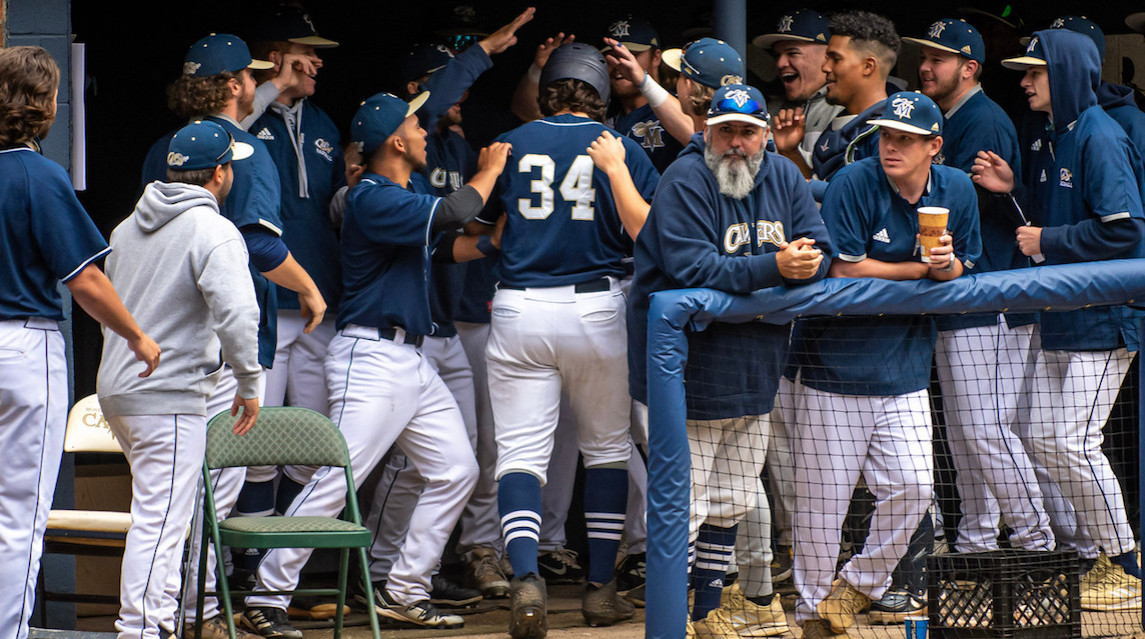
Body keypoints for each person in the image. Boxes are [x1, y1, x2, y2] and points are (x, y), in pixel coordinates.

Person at [243, 92, 510, 634]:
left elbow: (445, 247)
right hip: (370, 357)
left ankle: (404, 588)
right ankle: (266, 595)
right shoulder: (370, 195)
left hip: (410, 357)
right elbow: (457, 210)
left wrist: (493, 244)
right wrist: (491, 170)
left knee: (456, 470)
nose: (422, 132)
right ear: (394, 140)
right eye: (414, 124)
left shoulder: (401, 192)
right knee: (335, 478)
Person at [629, 83, 832, 638]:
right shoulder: (685, 179)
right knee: (683, 511)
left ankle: (705, 614)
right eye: (726, 132)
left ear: (765, 134)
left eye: (747, 132)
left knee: (733, 501)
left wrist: (807, 262)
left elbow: (822, 244)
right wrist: (776, 270)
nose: (736, 145)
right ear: (707, 132)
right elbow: (690, 267)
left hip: (756, 366)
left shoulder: (786, 177)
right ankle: (673, 621)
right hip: (685, 374)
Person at [140, 34, 327, 639]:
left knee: (174, 492)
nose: (255, 82)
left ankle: (167, 613)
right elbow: (260, 244)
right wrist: (309, 288)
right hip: (220, 346)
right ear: (231, 85)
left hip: (166, 340)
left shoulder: (160, 150)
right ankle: (199, 614)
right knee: (213, 488)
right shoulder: (245, 150)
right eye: (249, 75)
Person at [791, 92, 981, 638]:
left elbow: (966, 269)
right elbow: (845, 270)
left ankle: (858, 585)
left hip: (905, 370)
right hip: (835, 372)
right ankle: (810, 618)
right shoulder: (855, 181)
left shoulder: (957, 190)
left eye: (904, 138)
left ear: (934, 147)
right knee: (820, 514)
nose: (890, 146)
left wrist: (943, 267)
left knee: (916, 489)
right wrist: (920, 271)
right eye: (885, 136)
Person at [485, 42, 658, 639]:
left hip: (518, 308)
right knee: (606, 452)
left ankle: (527, 575)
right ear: (601, 95)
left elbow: (485, 227)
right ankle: (600, 589)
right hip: (596, 307)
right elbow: (654, 235)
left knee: (520, 457)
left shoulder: (512, 142)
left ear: (547, 89)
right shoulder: (621, 148)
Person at [362, 9, 534, 606]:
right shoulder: (389, 165)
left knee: (467, 457)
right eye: (445, 84)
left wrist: (494, 239)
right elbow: (453, 214)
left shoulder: (451, 143)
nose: (462, 96)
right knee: (373, 469)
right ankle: (353, 577)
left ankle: (416, 575)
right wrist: (483, 50)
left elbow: (458, 238)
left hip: (447, 326)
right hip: (387, 335)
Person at [974, 28, 1145, 611]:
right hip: (1065, 315)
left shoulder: (1100, 135)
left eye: (1035, 73)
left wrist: (1048, 236)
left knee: (1071, 439)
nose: (1024, 82)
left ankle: (1122, 562)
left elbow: (1126, 229)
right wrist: (1015, 191)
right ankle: (1098, 552)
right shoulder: (1055, 136)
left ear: (1066, 75)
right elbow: (1047, 225)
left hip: (1106, 318)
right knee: (1036, 432)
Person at [0, 45, 160, 639]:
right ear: (41, 105)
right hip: (22, 347)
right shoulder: (37, 173)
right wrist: (137, 336)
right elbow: (86, 278)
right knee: (18, 514)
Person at [98, 120, 261, 639]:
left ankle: (157, 621)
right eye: (229, 164)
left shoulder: (125, 227)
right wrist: (249, 382)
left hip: (120, 390)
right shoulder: (213, 229)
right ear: (219, 172)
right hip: (165, 394)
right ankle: (142, 630)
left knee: (164, 511)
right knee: (162, 520)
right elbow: (237, 314)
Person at [230, 5, 344, 596]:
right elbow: (229, 134)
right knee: (254, 449)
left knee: (313, 447)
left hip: (318, 306)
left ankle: (280, 575)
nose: (318, 61)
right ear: (276, 55)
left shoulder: (323, 122)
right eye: (307, 50)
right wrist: (272, 83)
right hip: (263, 306)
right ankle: (243, 568)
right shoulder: (242, 116)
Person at [802, 10, 898, 185]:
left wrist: (810, 187)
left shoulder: (888, 133)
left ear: (868, 67)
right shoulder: (842, 122)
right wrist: (789, 152)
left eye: (836, 59)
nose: (825, 67)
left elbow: (872, 204)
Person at [755, 8, 843, 177]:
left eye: (792, 53)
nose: (780, 63)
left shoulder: (843, 109)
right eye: (777, 55)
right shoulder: (770, 110)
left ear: (827, 56)